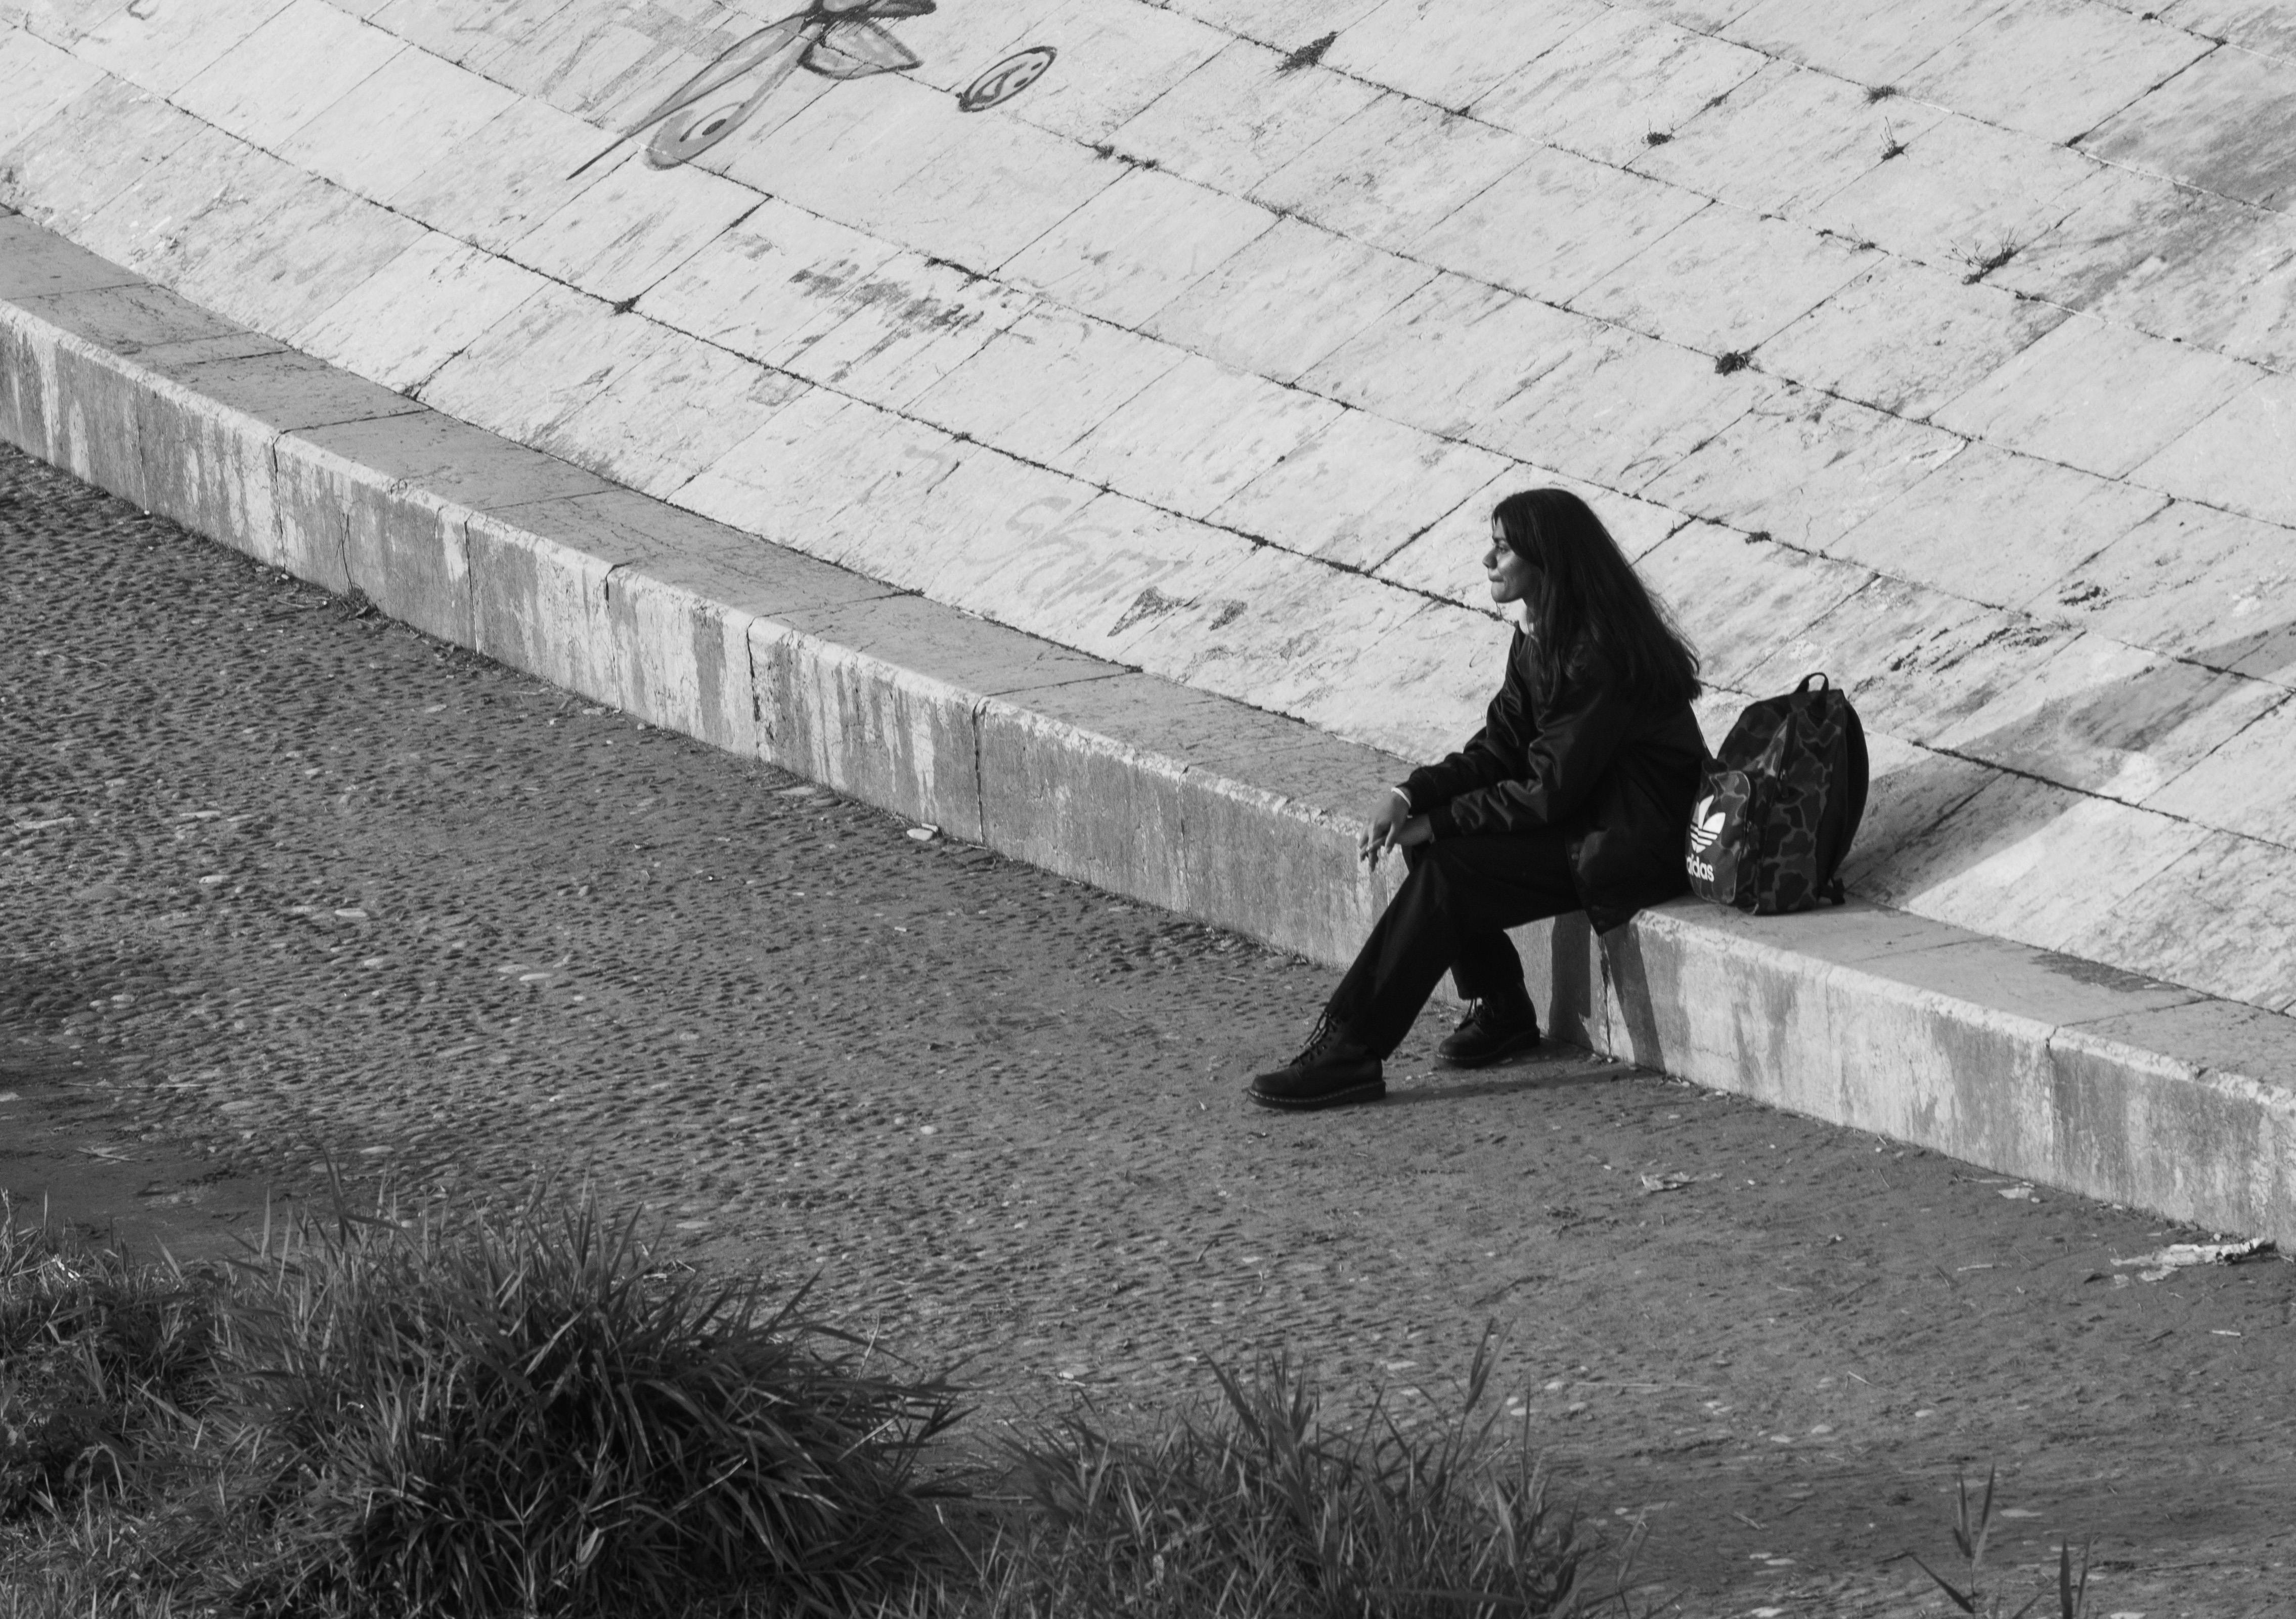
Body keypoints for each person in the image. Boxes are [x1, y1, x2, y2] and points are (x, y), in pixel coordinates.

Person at [1249, 488, 1706, 1111]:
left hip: (1630, 845)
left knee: (1447, 869)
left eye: (1502, 548)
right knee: (1436, 845)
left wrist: (1436, 823)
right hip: (1588, 823)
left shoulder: (1596, 652)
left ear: (1547, 559)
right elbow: (1498, 749)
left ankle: (1350, 1049)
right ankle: (1503, 1009)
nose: (1487, 562)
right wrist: (1407, 797)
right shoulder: (1542, 633)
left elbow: (1546, 792)